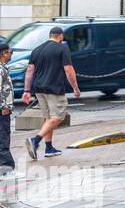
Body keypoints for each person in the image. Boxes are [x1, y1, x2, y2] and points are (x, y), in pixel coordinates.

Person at [21, 25, 79, 160]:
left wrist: (26, 90)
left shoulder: (37, 49)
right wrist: (75, 88)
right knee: (58, 117)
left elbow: (29, 71)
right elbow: (69, 70)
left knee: (48, 118)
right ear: (60, 36)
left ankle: (49, 148)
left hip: (39, 89)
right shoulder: (62, 48)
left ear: (50, 35)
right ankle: (35, 140)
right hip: (54, 88)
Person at [0, 43, 16, 181]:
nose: (11, 54)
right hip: (2, 110)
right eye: (10, 51)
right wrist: (4, 106)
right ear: (3, 53)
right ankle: (6, 170)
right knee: (3, 138)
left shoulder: (3, 68)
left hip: (3, 109)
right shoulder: (0, 70)